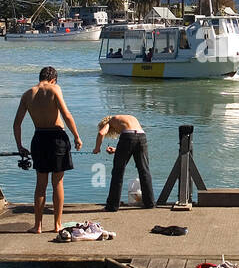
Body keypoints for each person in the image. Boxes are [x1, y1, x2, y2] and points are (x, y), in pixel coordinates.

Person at [13, 67, 83, 233]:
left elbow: (17, 124)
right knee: (57, 182)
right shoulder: (54, 89)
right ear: (53, 79)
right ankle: (57, 225)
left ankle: (38, 226)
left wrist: (20, 146)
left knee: (40, 184)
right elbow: (66, 114)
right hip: (57, 138)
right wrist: (77, 136)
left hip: (39, 138)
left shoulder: (27, 94)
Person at [93, 114, 155, 211]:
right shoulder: (131, 118)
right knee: (144, 170)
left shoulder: (111, 121)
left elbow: (101, 133)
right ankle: (150, 203)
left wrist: (97, 148)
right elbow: (134, 138)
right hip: (142, 135)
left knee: (118, 172)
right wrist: (117, 150)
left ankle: (112, 206)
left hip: (127, 137)